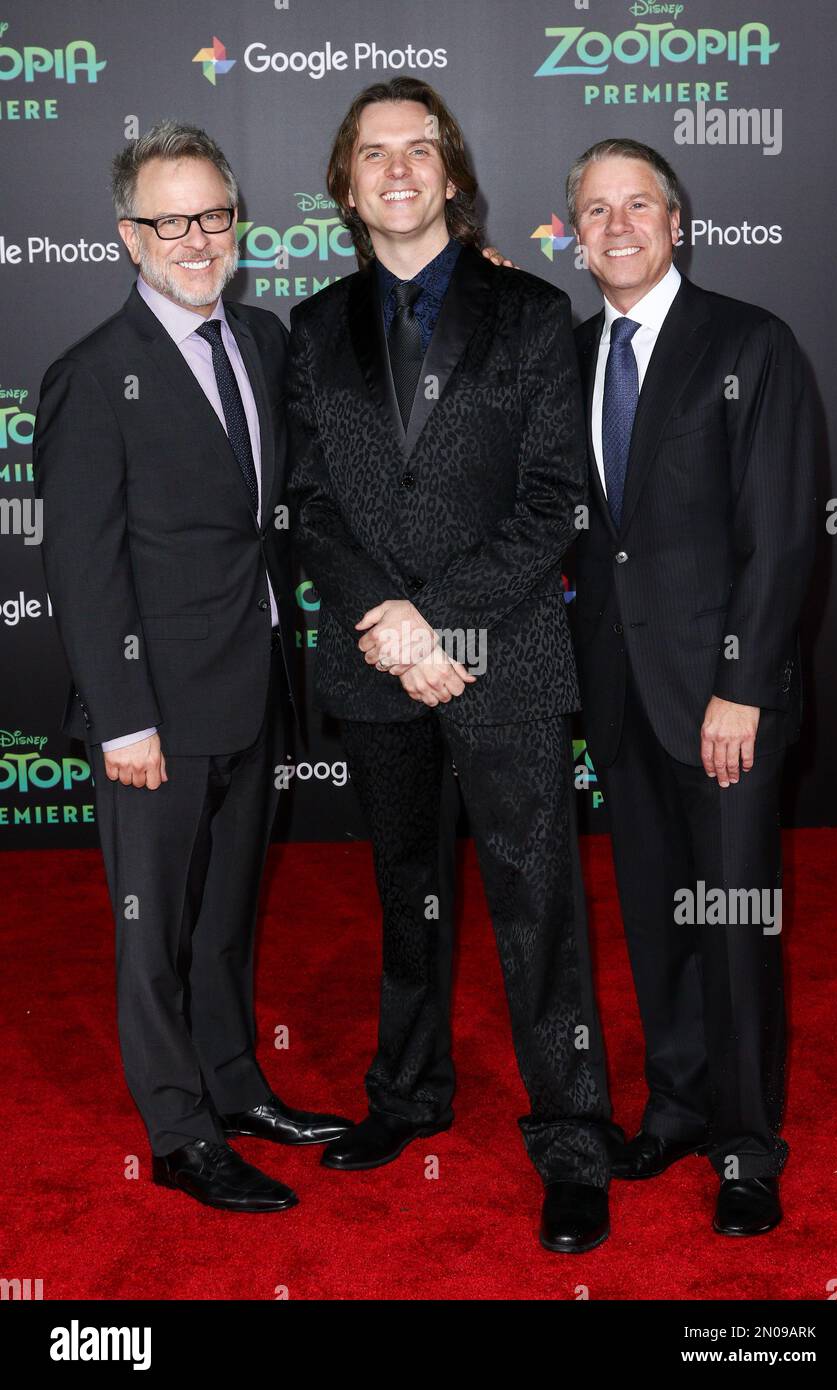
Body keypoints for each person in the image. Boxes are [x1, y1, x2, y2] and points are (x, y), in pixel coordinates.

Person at [286, 77, 622, 1254]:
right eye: (370, 151)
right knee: (405, 893)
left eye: (415, 148)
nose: (394, 168)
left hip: (505, 654)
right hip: (376, 655)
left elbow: (551, 500)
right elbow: (310, 502)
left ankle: (573, 1139)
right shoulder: (311, 325)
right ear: (343, 182)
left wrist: (437, 623)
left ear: (449, 170)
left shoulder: (529, 315)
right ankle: (408, 1093)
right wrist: (387, 620)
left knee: (538, 909)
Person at [33, 120, 349, 1214]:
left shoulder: (262, 341)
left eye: (212, 214)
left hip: (254, 688)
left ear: (234, 221)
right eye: (169, 221)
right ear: (129, 236)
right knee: (151, 929)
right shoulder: (90, 376)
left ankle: (235, 1086)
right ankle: (178, 1133)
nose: (195, 238)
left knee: (223, 918)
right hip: (154, 709)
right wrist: (121, 719)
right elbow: (82, 564)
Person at [568, 138, 816, 1234]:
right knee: (655, 914)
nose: (615, 226)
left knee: (731, 923)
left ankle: (746, 1142)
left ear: (677, 223)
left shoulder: (747, 343)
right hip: (619, 694)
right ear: (571, 236)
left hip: (722, 703)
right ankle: (674, 1103)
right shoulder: (571, 355)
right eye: (592, 211)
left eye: (636, 206)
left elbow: (782, 536)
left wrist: (740, 686)